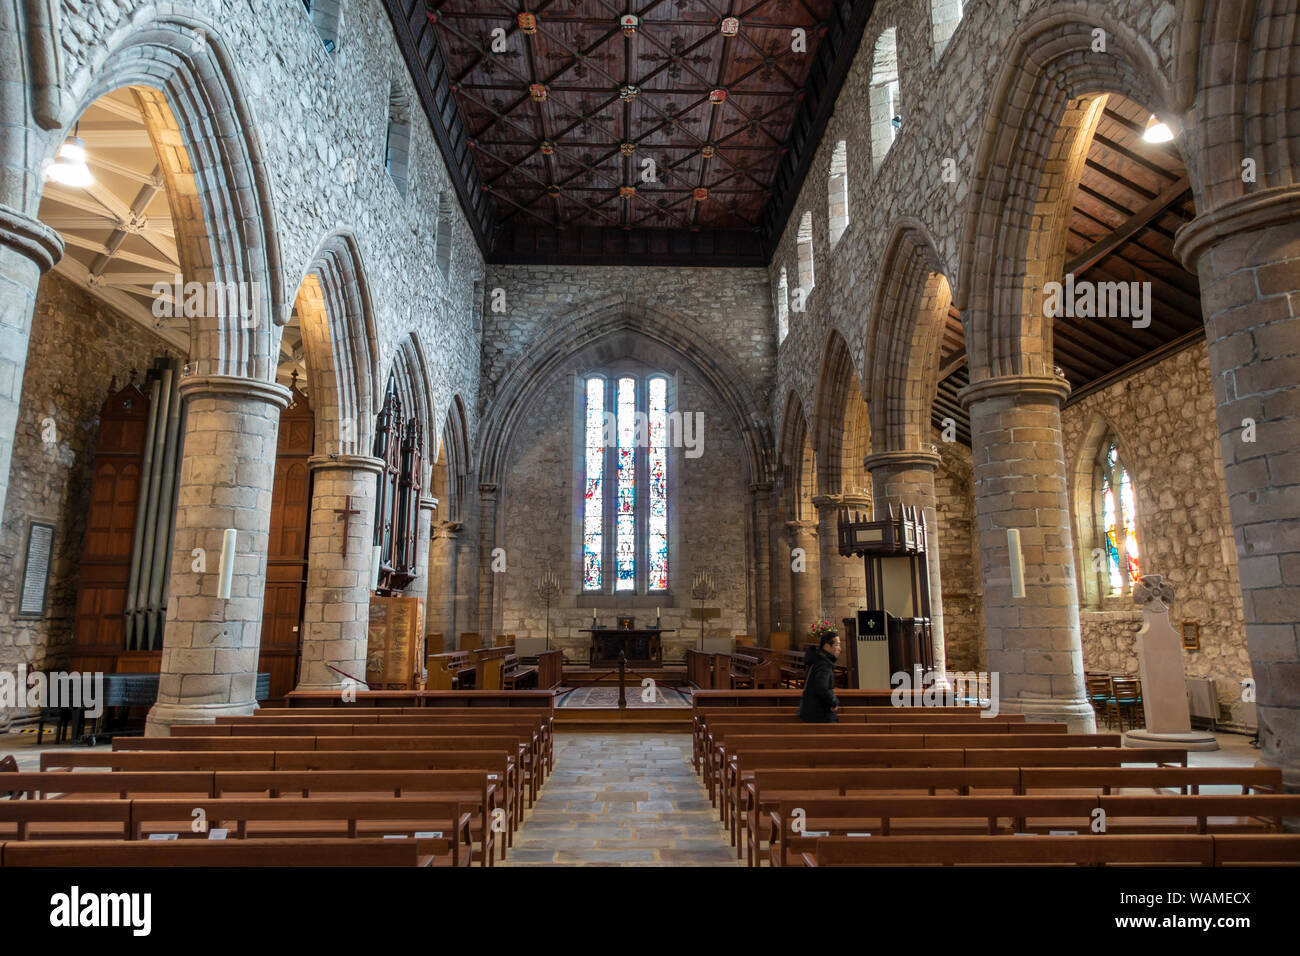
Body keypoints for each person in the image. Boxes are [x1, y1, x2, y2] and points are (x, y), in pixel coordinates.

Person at [799, 629, 841, 722]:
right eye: (837, 645)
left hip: (812, 711)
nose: (840, 648)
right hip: (820, 714)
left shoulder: (817, 659)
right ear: (827, 646)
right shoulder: (824, 664)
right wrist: (834, 702)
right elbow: (821, 687)